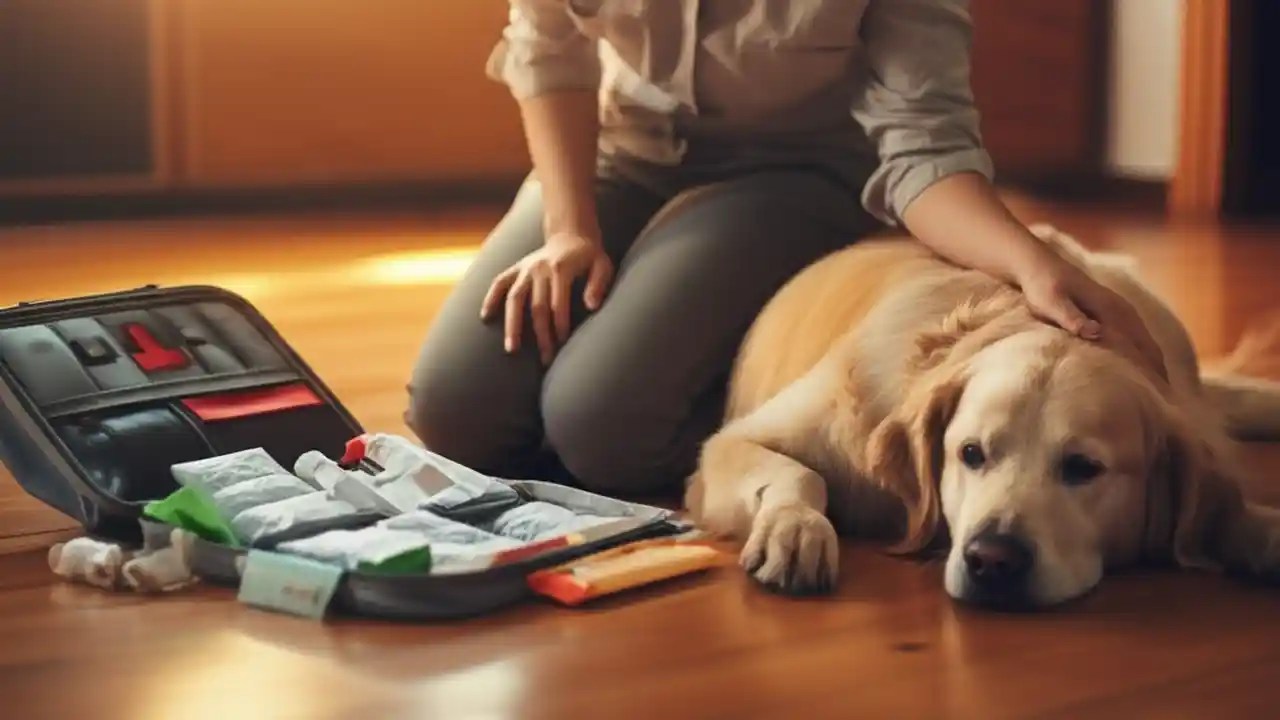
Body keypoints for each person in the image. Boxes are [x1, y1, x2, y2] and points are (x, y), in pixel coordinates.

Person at [405, 0, 1164, 497]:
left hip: (797, 173)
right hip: (619, 149)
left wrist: (1034, 263)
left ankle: (745, 399)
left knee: (600, 430)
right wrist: (571, 230)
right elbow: (549, 51)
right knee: (455, 414)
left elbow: (924, 154)